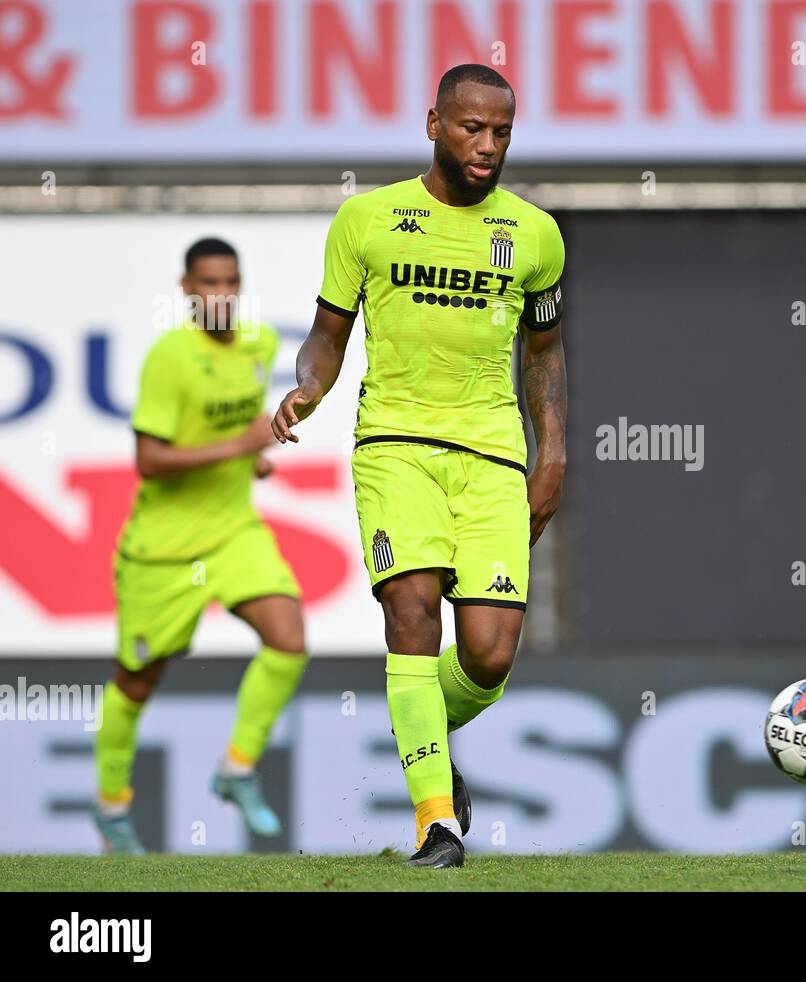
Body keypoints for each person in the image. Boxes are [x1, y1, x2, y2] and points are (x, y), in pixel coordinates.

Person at [271, 64, 568, 869]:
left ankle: (424, 734)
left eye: (502, 132)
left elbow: (543, 351)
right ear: (434, 122)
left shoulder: (535, 235)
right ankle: (438, 823)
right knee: (410, 612)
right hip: (395, 445)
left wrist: (556, 453)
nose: (488, 146)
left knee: (490, 653)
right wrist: (308, 386)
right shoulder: (367, 220)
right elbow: (329, 333)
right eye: (473, 128)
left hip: (493, 455)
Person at [95, 237, 308, 854]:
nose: (220, 294)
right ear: (187, 290)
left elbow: (228, 433)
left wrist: (251, 466)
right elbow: (150, 461)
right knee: (137, 680)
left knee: (288, 640)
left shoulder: (259, 344)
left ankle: (237, 767)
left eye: (230, 282)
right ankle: (112, 807)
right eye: (208, 284)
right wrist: (241, 450)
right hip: (162, 550)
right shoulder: (170, 359)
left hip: (233, 530)